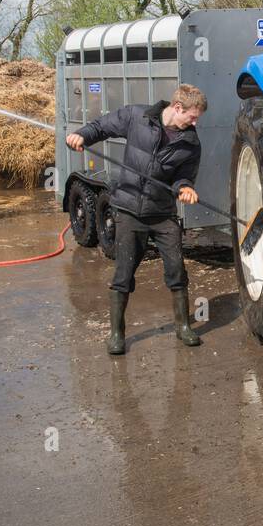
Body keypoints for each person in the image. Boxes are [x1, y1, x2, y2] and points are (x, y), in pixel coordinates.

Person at [66, 84, 207, 354]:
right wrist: (81, 136)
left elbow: (184, 176)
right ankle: (117, 334)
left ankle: (183, 327)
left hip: (163, 214)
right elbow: (101, 127)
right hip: (129, 210)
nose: (195, 121)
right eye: (193, 116)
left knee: (177, 270)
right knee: (123, 274)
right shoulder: (136, 117)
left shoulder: (191, 143)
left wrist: (185, 187)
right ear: (177, 108)